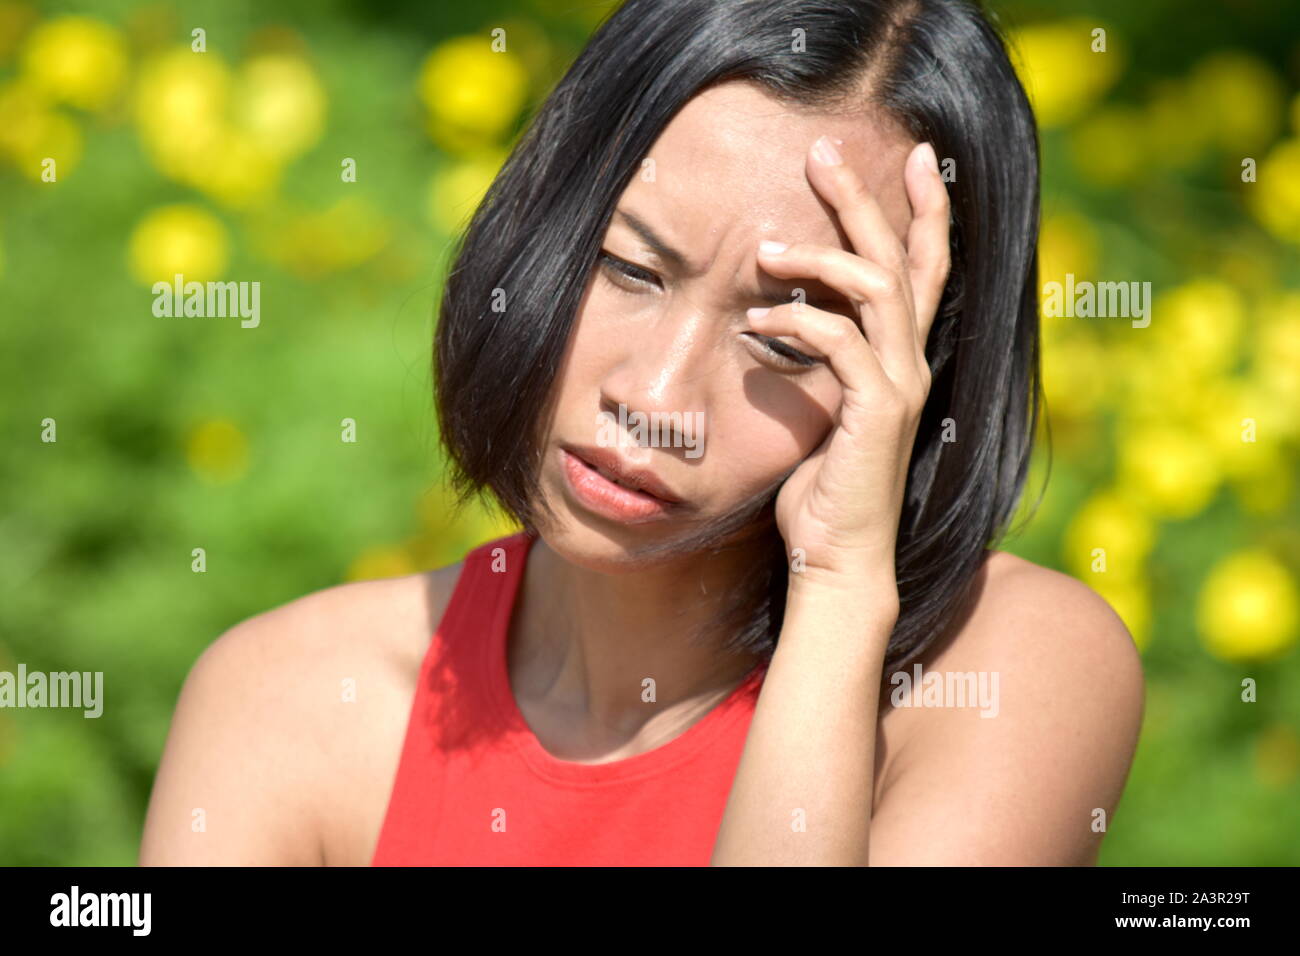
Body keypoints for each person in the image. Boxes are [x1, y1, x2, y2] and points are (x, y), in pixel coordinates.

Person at [140, 0, 1144, 866]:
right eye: (629, 268)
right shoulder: (285, 700)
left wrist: (839, 590)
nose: (656, 394)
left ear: (918, 366)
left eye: (789, 336)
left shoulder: (1006, 670)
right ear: (540, 223)